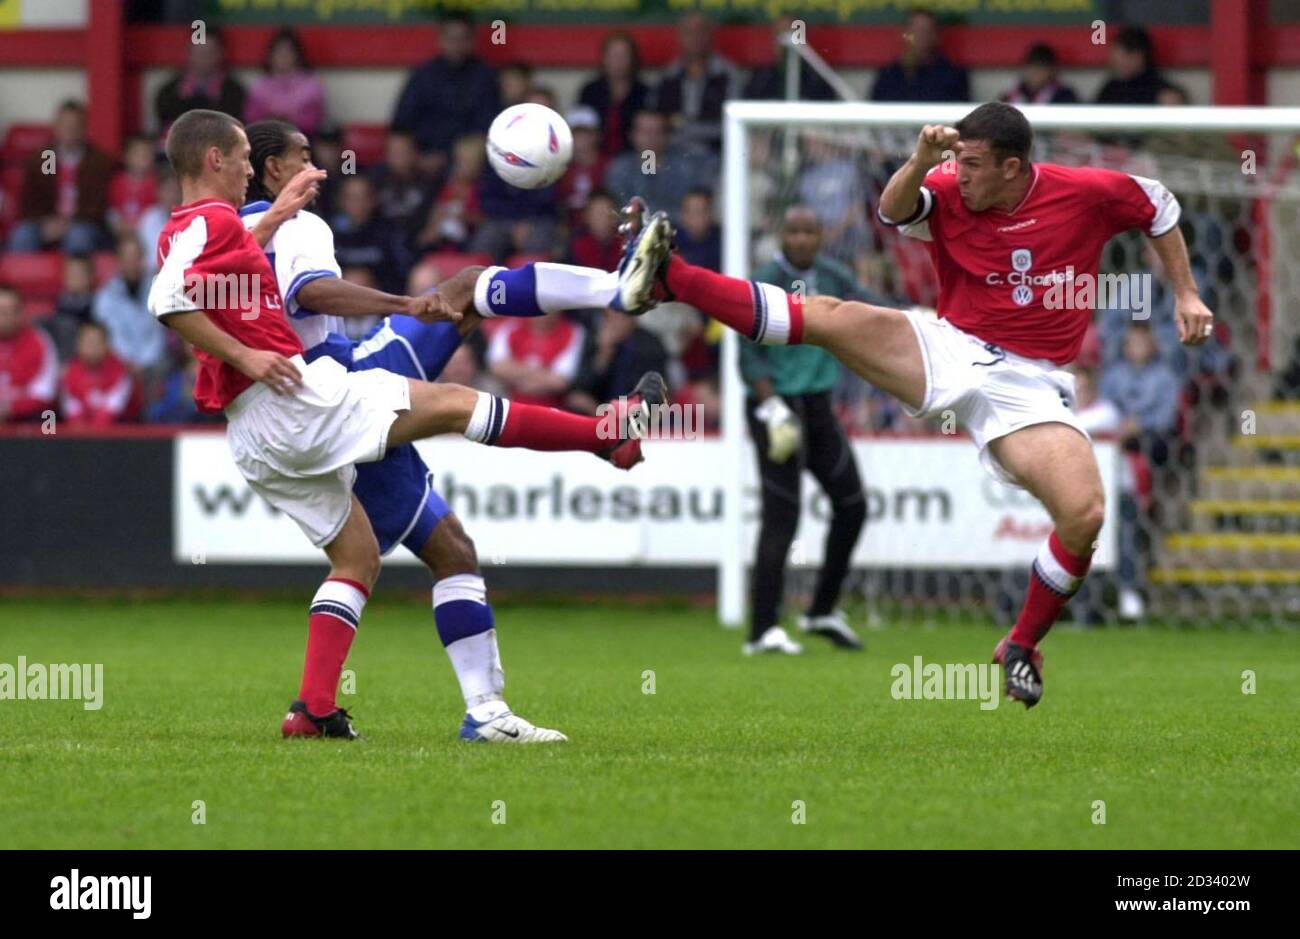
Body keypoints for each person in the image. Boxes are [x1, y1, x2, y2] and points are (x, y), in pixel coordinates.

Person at [615, 102, 1216, 707]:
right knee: (829, 315)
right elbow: (892, 210)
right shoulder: (948, 185)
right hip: (948, 344)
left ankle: (1022, 644)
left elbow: (1159, 205)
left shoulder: (1082, 192)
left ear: (1013, 167)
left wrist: (1185, 294)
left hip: (1030, 386)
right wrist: (923, 160)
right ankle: (675, 280)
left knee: (1084, 514)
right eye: (957, 160)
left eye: (974, 164)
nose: (962, 174)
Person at [147, 110, 666, 741]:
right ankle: (605, 419)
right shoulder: (241, 221)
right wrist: (258, 348)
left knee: (369, 557)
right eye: (293, 156)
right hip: (307, 390)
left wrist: (276, 214)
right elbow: (177, 300)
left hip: (254, 430)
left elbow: (221, 274)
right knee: (455, 380)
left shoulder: (196, 229)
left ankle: (315, 710)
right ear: (221, 162)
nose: (313, 166)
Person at [739, 206, 877, 656]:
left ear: (820, 236)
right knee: (783, 517)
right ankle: (762, 630)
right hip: (775, 406)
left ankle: (821, 609)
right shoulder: (763, 281)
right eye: (793, 231)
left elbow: (874, 310)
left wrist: (922, 315)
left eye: (809, 231)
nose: (801, 239)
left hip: (817, 406)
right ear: (781, 234)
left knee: (852, 505)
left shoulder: (833, 277)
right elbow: (747, 351)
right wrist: (771, 404)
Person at [391, 12, 499, 175]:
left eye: (462, 39)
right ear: (440, 40)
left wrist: (450, 156)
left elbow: (487, 126)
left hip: (466, 162)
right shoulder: (422, 75)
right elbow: (401, 123)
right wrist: (418, 156)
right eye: (451, 38)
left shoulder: (485, 77)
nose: (456, 45)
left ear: (472, 42)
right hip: (421, 158)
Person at [8, 101, 112, 254]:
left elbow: (97, 205)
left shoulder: (96, 161)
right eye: (65, 125)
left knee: (77, 236)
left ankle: (76, 278)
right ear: (56, 127)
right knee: (22, 235)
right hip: (47, 222)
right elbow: (37, 197)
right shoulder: (46, 157)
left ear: (83, 128)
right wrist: (46, 221)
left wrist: (68, 223)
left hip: (83, 224)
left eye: (74, 125)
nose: (69, 130)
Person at [652, 12, 741, 151]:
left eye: (701, 31)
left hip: (715, 153)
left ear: (711, 35)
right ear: (680, 37)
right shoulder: (668, 76)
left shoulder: (728, 75)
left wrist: (684, 128)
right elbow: (658, 122)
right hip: (672, 154)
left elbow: (732, 123)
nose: (695, 38)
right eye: (689, 32)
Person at [870, 9, 970, 103]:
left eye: (925, 31)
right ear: (904, 35)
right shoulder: (888, 75)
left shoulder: (953, 76)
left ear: (936, 36)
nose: (919, 37)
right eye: (914, 32)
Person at [154, 27, 246, 128]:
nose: (203, 59)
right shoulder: (168, 92)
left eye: (209, 53)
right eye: (198, 52)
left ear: (221, 54)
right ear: (187, 53)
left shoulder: (235, 92)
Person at [578, 32, 651, 158]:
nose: (618, 61)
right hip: (596, 160)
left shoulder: (644, 92)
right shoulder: (590, 91)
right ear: (604, 59)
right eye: (613, 56)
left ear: (633, 59)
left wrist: (647, 168)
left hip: (636, 159)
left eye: (624, 56)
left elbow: (651, 136)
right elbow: (580, 131)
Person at [244, 28, 326, 137]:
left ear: (298, 55)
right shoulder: (260, 85)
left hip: (301, 139)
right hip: (266, 139)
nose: (283, 57)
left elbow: (313, 120)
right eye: (279, 52)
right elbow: (251, 117)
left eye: (288, 52)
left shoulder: (310, 85)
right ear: (270, 56)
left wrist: (289, 120)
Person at [61, 321, 140, 427]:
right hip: (82, 432)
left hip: (121, 429)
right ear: (78, 345)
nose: (92, 348)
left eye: (97, 343)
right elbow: (72, 411)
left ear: (107, 344)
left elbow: (112, 409)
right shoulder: (70, 372)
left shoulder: (120, 370)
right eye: (88, 342)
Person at [0, 285, 58, 423]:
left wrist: (12, 408)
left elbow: (45, 392)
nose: (5, 317)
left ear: (21, 312)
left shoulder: (40, 341)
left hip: (27, 418)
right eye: (1, 311)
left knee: (47, 418)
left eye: (10, 311)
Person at [1095, 27, 1171, 105]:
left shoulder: (1164, 94)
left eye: (1118, 60)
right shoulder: (1111, 88)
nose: (1111, 63)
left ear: (1138, 56)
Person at [1001, 44, 1078, 105]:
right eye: (1032, 66)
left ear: (1052, 70)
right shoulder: (1010, 95)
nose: (1035, 72)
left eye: (1041, 67)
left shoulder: (1065, 96)